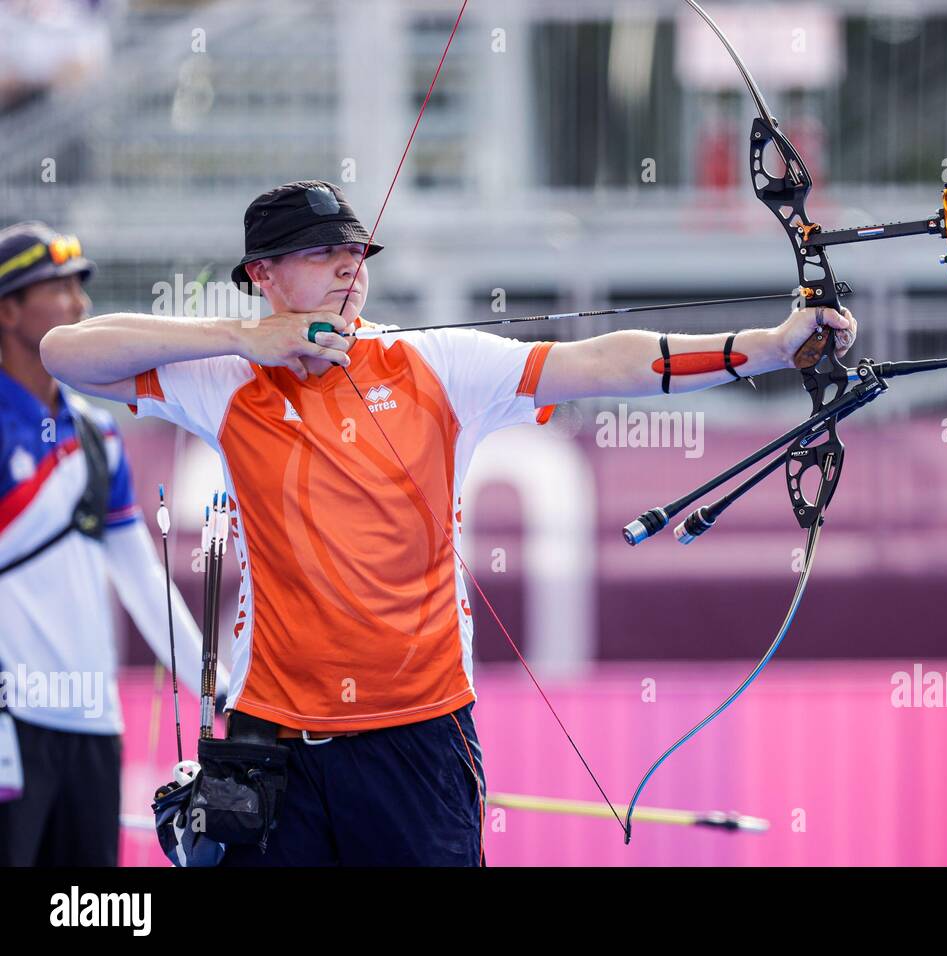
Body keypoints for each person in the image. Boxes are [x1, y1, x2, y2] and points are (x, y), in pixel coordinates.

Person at [39, 180, 857, 866]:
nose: (349, 271)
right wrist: (250, 339)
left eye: (357, 254)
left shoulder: (435, 365)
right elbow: (64, 351)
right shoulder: (225, 378)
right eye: (325, 254)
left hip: (418, 736)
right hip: (272, 744)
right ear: (264, 272)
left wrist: (773, 347)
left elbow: (605, 361)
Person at [0, 221, 216, 866]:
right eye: (56, 288)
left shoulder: (96, 431)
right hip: (12, 719)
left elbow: (141, 577)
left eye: (79, 287)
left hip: (92, 720)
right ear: (7, 310)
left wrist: (215, 683)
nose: (77, 305)